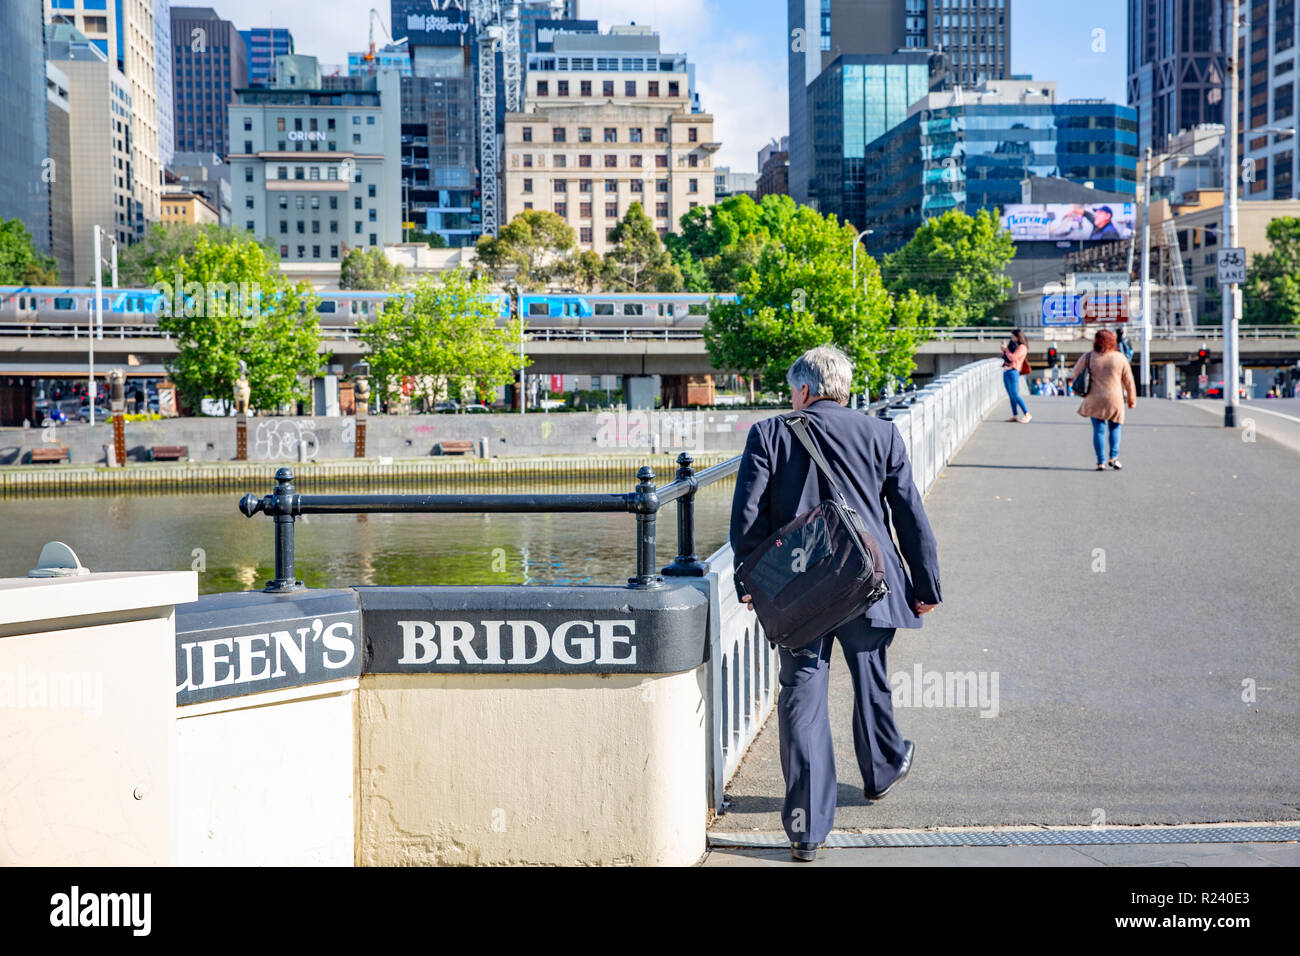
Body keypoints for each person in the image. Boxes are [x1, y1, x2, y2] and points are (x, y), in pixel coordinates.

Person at [730, 345, 942, 863]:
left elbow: (747, 520)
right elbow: (909, 513)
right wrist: (925, 585)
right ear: (843, 388)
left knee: (802, 693)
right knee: (870, 674)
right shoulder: (881, 433)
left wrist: (752, 580)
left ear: (803, 390)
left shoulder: (770, 434)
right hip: (867, 577)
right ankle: (882, 770)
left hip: (802, 590)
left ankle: (806, 827)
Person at [1071, 328, 1137, 471]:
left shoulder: (1088, 357)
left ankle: (1101, 462)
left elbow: (1075, 372)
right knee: (1115, 427)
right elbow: (1129, 381)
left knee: (1099, 431)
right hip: (1115, 399)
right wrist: (1132, 399)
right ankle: (1114, 458)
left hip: (1094, 398)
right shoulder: (1120, 358)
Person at [1000, 329, 1031, 423]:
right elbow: (1006, 357)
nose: (1011, 338)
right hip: (1007, 370)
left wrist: (1006, 350)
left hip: (1013, 371)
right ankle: (1015, 415)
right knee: (1011, 395)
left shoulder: (1022, 347)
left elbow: (1013, 357)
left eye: (1013, 336)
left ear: (1018, 337)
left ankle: (1027, 414)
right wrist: (1004, 351)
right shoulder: (1014, 346)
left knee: (1015, 394)